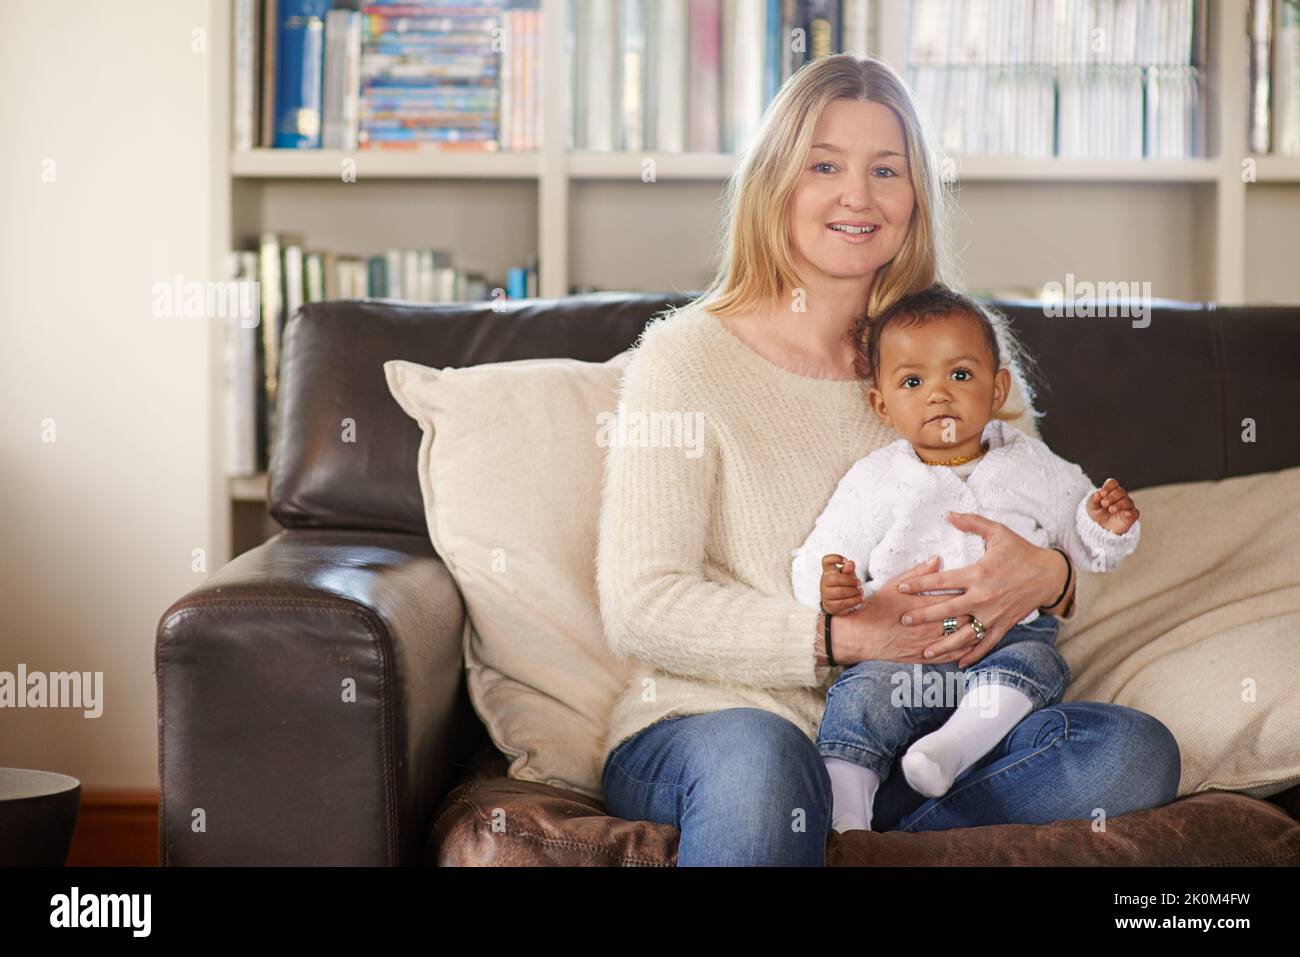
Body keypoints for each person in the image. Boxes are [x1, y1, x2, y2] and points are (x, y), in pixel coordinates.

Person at [595, 53, 1180, 866]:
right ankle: (829, 814)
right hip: (723, 725)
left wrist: (1053, 576)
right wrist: (838, 636)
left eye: (886, 170)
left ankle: (854, 828)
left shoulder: (956, 344)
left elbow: (1041, 509)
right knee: (769, 765)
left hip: (926, 727)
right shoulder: (686, 358)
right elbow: (641, 602)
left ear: (916, 197)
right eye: (824, 166)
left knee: (1131, 750)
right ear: (775, 183)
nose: (857, 196)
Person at [790, 283, 1143, 833]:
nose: (938, 395)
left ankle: (950, 751)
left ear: (998, 388)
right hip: (900, 651)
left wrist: (1104, 524)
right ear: (881, 405)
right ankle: (849, 821)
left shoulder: (1033, 464)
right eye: (913, 381)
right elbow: (823, 554)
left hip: (1004, 643)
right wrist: (830, 587)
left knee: (1040, 665)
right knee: (858, 702)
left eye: (959, 375)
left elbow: (1079, 549)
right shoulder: (875, 481)